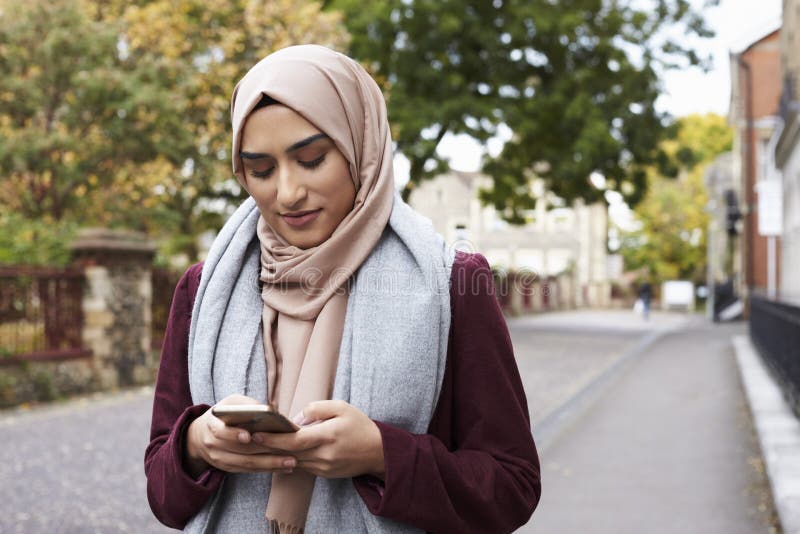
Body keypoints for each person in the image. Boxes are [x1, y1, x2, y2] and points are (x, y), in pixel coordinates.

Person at [144, 44, 540, 534]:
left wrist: (382, 455)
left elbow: (512, 486)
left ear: (360, 149)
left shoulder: (453, 283)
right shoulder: (205, 290)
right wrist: (196, 446)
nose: (286, 193)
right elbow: (162, 493)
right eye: (261, 170)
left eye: (311, 159)